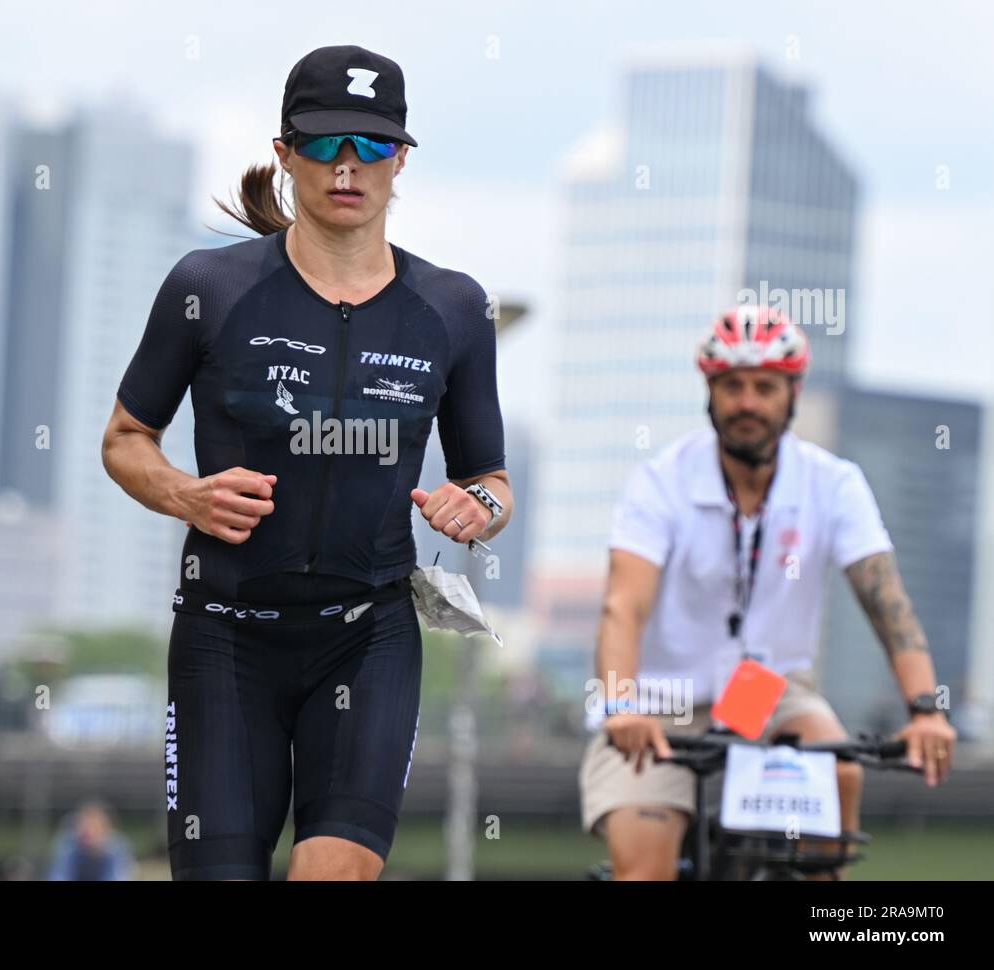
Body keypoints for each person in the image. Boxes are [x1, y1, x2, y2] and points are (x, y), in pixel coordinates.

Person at [102, 44, 512, 880]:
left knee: (333, 870)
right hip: (226, 638)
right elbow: (124, 440)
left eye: (370, 146)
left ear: (402, 159)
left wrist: (477, 509)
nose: (347, 166)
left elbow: (491, 481)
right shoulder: (208, 289)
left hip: (368, 637)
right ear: (286, 155)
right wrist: (187, 495)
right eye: (324, 145)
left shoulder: (453, 308)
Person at [580, 305, 957, 880]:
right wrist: (620, 703)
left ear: (793, 392)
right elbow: (622, 606)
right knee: (646, 872)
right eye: (732, 386)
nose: (748, 402)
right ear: (710, 391)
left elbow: (886, 601)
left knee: (838, 769)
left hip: (766, 692)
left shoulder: (833, 483)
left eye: (764, 386)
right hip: (659, 702)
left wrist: (925, 709)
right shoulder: (661, 481)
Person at [46, 801, 135, 881]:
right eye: (83, 829)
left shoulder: (117, 848)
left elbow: (118, 877)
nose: (88, 834)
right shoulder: (67, 845)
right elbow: (58, 875)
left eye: (94, 828)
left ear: (106, 830)